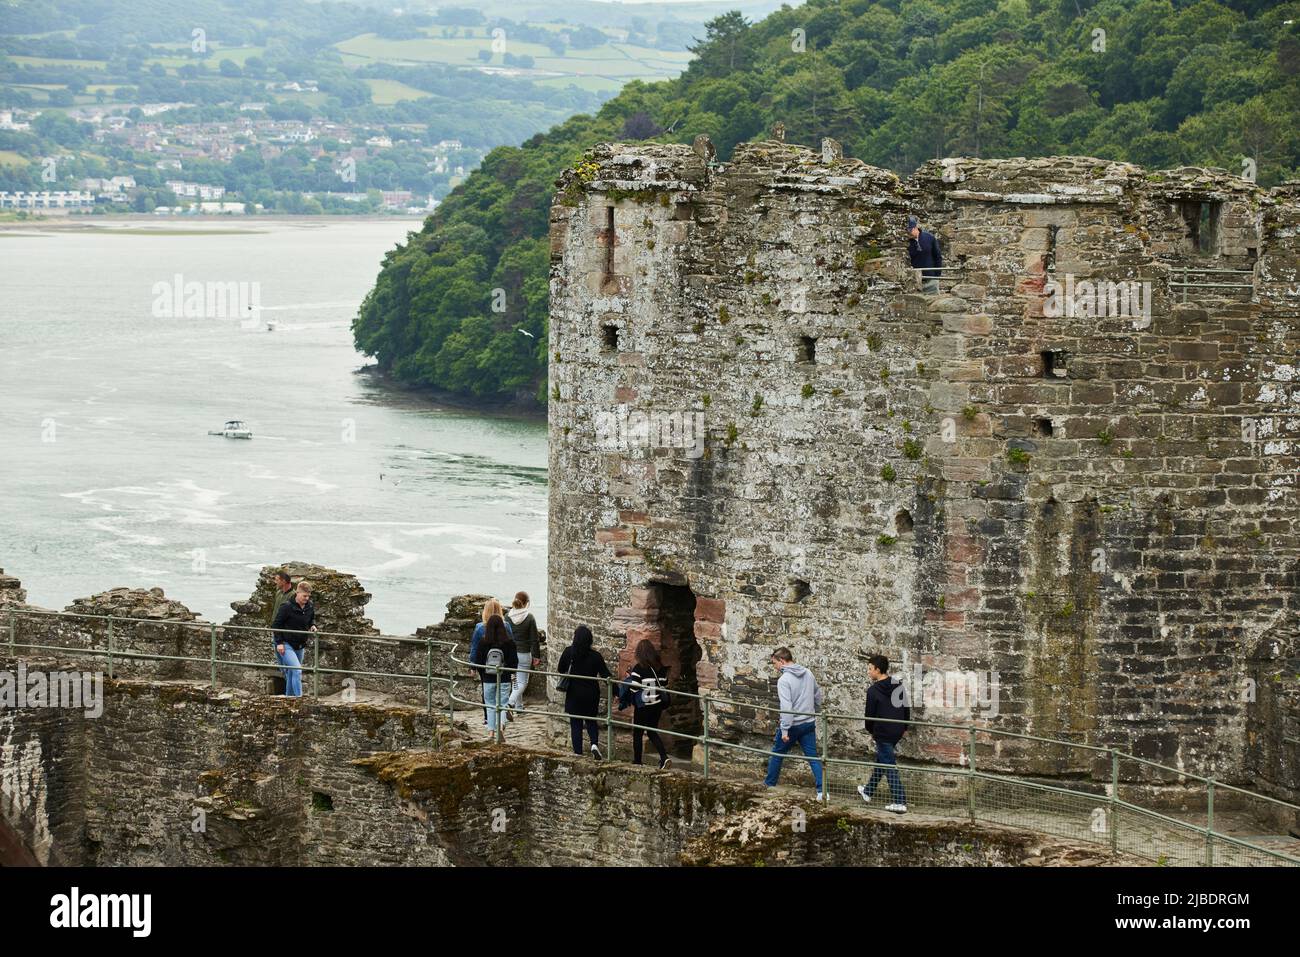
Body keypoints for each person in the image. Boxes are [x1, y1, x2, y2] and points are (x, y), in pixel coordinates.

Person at [764, 647, 825, 798]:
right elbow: (817, 695)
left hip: (792, 726)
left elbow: (786, 707)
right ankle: (822, 791)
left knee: (777, 754)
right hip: (808, 722)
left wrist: (785, 730)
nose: (775, 667)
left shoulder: (784, 680)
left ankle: (769, 784)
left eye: (775, 663)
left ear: (782, 661)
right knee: (813, 757)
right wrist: (815, 710)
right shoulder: (808, 673)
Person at [858, 654, 909, 813]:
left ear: (877, 670)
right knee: (883, 759)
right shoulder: (897, 685)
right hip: (897, 730)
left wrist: (871, 731)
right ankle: (868, 792)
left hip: (883, 732)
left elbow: (869, 716)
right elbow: (905, 707)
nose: (868, 672)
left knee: (888, 765)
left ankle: (900, 802)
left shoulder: (873, 691)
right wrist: (904, 726)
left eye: (870, 669)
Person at [557, 625, 611, 759]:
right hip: (591, 694)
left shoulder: (568, 652)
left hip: (574, 693)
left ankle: (578, 753)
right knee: (591, 721)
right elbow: (606, 675)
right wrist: (615, 691)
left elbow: (560, 669)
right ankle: (594, 745)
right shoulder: (596, 656)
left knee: (576, 724)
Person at [616, 639, 671, 769]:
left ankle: (637, 761)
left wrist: (628, 679)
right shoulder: (661, 668)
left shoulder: (639, 668)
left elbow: (634, 688)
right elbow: (664, 685)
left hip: (643, 706)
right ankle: (664, 757)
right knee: (652, 732)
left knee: (638, 733)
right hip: (656, 705)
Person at [471, 614, 518, 736]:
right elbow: (514, 663)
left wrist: (484, 673)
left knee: (490, 704)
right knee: (502, 704)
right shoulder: (509, 643)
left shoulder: (483, 642)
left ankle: (491, 731)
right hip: (504, 678)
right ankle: (501, 727)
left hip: (488, 679)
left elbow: (478, 661)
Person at [469, 599, 513, 724]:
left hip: (485, 665)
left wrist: (473, 666)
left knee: (487, 691)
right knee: (502, 692)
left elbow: (475, 648)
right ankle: (501, 720)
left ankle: (488, 718)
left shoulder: (479, 627)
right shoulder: (507, 626)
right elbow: (511, 645)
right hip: (503, 664)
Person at [272, 581, 316, 698]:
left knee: (292, 672)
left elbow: (311, 619)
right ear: (297, 593)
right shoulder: (286, 607)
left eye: (308, 596)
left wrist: (312, 625)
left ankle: (289, 698)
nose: (306, 598)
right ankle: (299, 699)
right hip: (286, 643)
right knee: (297, 670)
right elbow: (276, 625)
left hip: (300, 645)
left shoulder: (309, 606)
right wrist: (279, 643)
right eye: (304, 596)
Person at [505, 591, 542, 715]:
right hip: (524, 653)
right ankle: (510, 703)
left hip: (510, 653)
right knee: (522, 682)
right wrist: (536, 655)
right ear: (527, 603)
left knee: (516, 681)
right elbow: (534, 639)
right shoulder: (529, 617)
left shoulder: (507, 616)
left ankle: (519, 707)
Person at [906, 215, 943, 293]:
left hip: (931, 278)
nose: (909, 233)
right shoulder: (907, 243)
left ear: (915, 228)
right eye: (907, 231)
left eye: (910, 230)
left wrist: (937, 276)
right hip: (916, 281)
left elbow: (938, 256)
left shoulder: (929, 238)